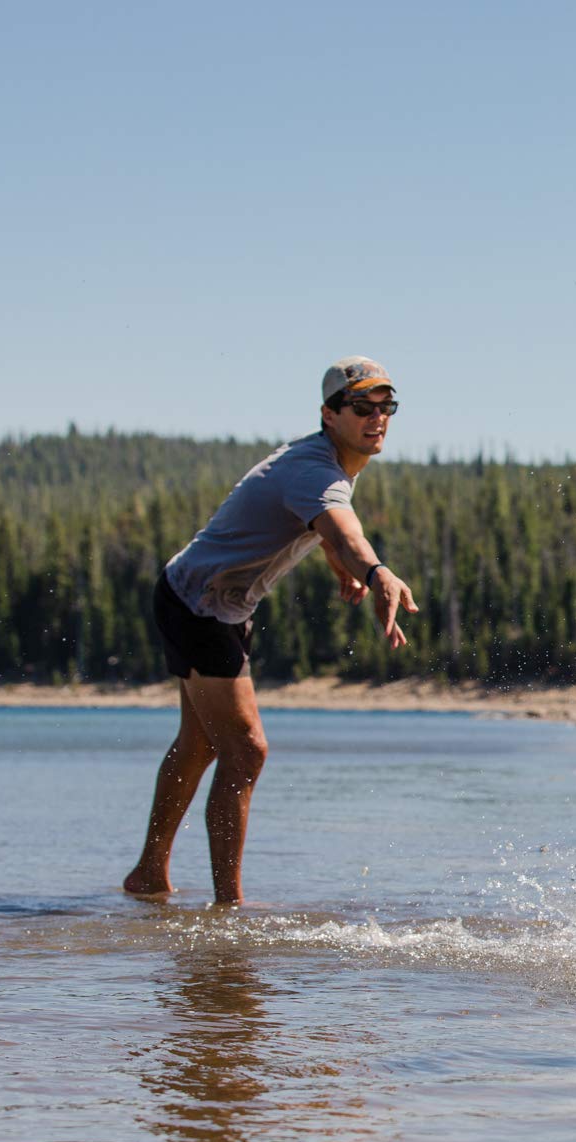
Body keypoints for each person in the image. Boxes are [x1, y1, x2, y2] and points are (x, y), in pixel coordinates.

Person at [122, 356, 418, 904]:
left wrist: (341, 569)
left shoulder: (328, 461)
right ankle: (227, 909)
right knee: (246, 750)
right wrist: (374, 573)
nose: (376, 419)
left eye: (386, 408)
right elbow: (341, 528)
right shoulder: (315, 471)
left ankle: (148, 875)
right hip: (201, 604)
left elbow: (324, 529)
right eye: (362, 408)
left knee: (201, 744)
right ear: (329, 415)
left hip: (209, 599)